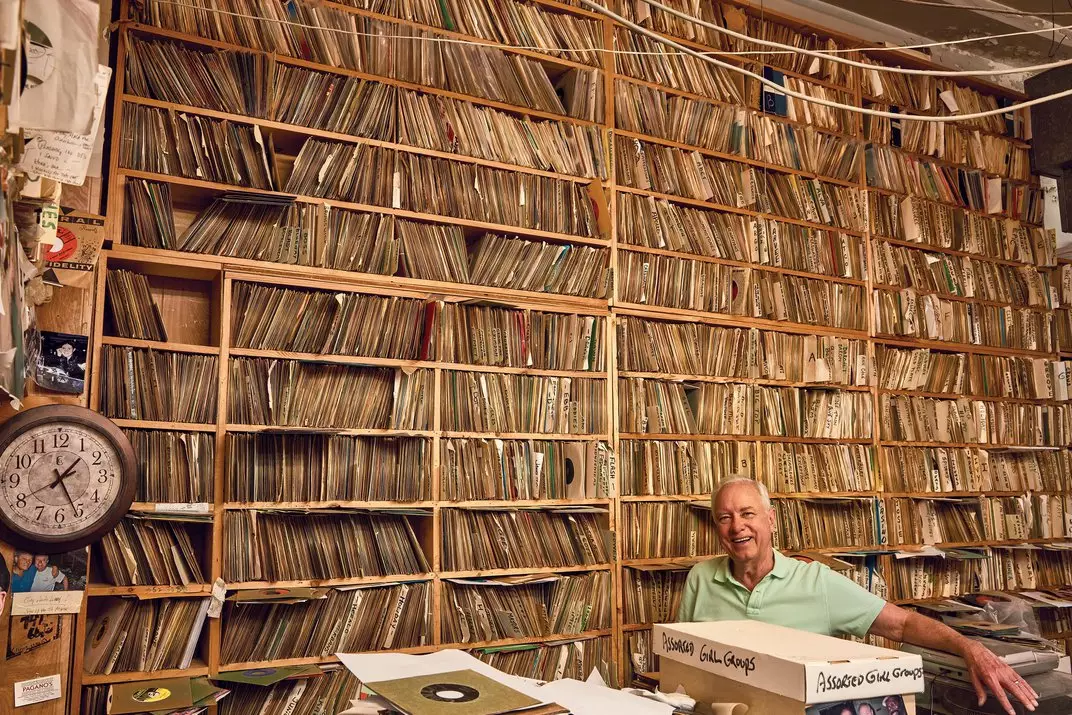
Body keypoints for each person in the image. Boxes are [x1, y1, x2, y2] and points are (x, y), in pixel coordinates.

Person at [678, 478, 1038, 715]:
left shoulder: (818, 583)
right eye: (724, 517)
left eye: (747, 514)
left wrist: (970, 649)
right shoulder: (700, 579)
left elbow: (902, 625)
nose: (736, 526)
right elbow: (681, 659)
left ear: (771, 520)